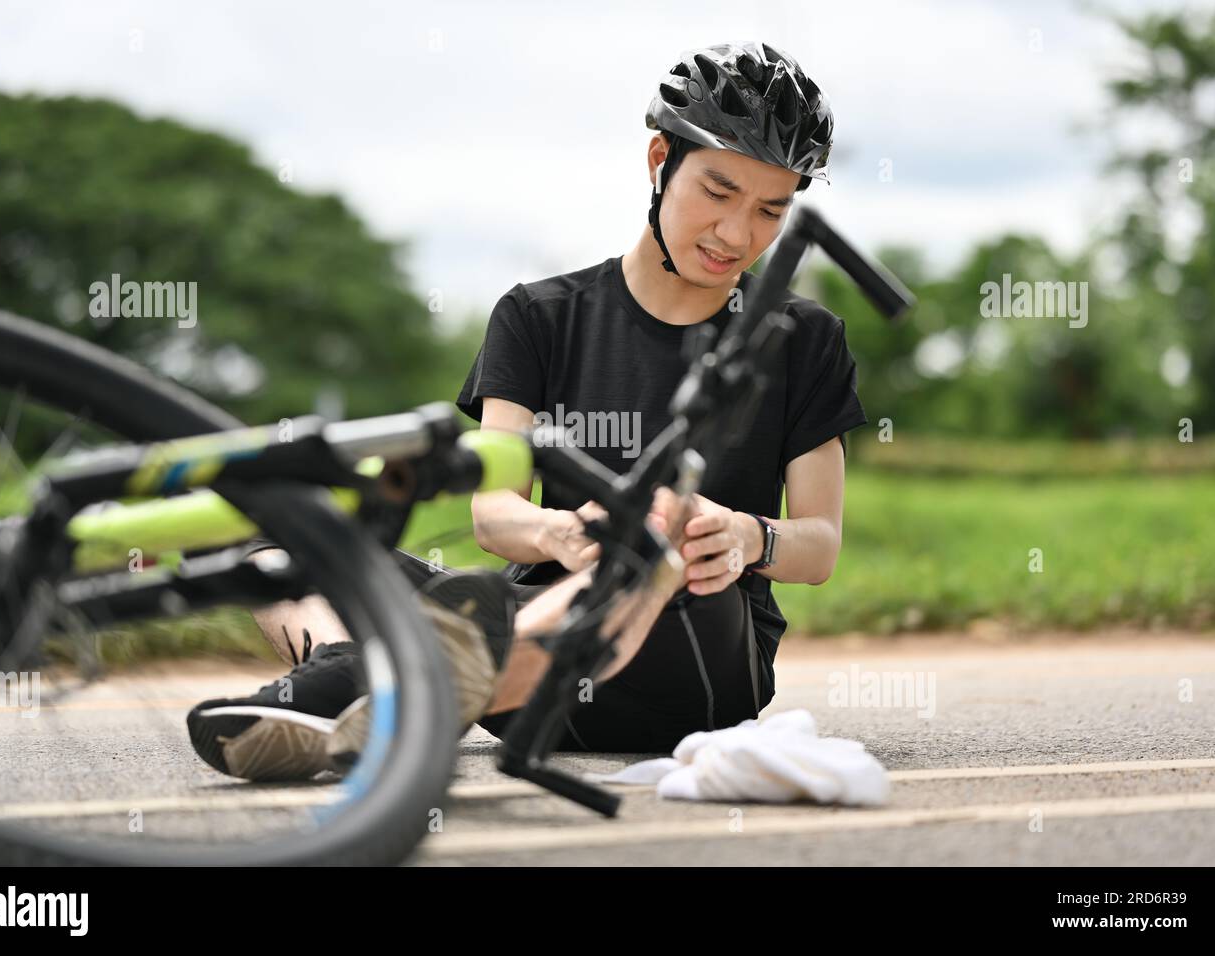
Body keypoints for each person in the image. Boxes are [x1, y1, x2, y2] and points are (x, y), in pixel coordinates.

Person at [186, 40, 866, 781]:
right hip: (529, 663)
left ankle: (388, 682)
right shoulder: (538, 316)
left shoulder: (806, 339)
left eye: (772, 209)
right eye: (718, 191)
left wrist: (746, 535)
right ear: (659, 159)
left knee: (664, 524)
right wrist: (565, 532)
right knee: (278, 527)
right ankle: (351, 679)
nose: (738, 234)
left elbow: (820, 544)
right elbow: (494, 516)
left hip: (698, 661)